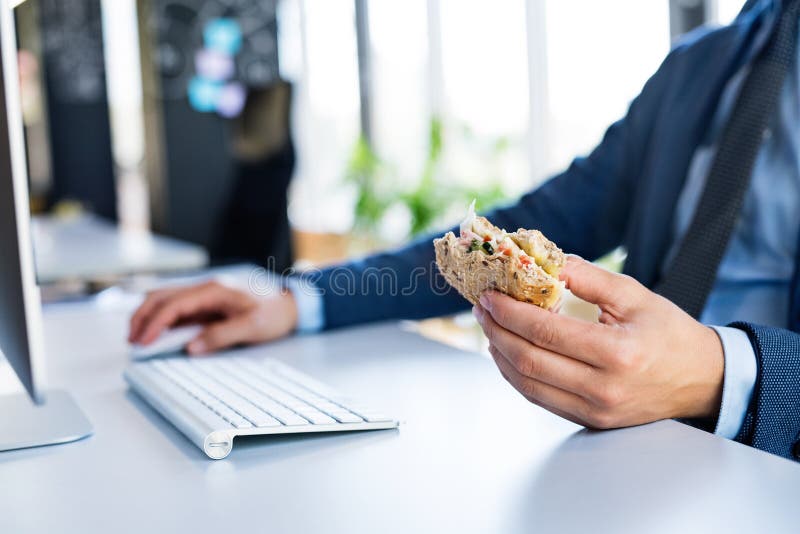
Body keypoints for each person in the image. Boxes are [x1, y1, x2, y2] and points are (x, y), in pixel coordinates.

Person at [129, 0, 800, 462]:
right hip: (642, 459)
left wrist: (723, 373)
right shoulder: (702, 65)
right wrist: (298, 300)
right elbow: (517, 234)